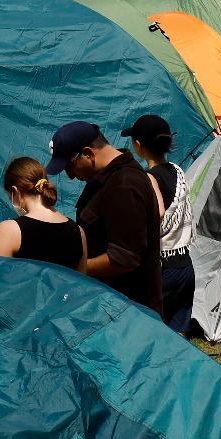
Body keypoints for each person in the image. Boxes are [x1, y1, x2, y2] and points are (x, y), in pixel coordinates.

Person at [47, 120, 163, 314]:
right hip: (111, 306)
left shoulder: (124, 185)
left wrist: (74, 268)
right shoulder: (105, 179)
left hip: (129, 312)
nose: (70, 176)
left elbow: (124, 258)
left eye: (69, 167)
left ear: (88, 153)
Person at [125, 114, 195, 333]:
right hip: (186, 265)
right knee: (178, 335)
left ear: (138, 145)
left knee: (151, 332)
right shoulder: (178, 171)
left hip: (162, 269)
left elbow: (159, 213)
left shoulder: (149, 177)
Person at [0, 157, 85, 269]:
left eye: (10, 197)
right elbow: (81, 282)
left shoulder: (9, 230)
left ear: (15, 191)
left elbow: (1, 281)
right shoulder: (79, 232)